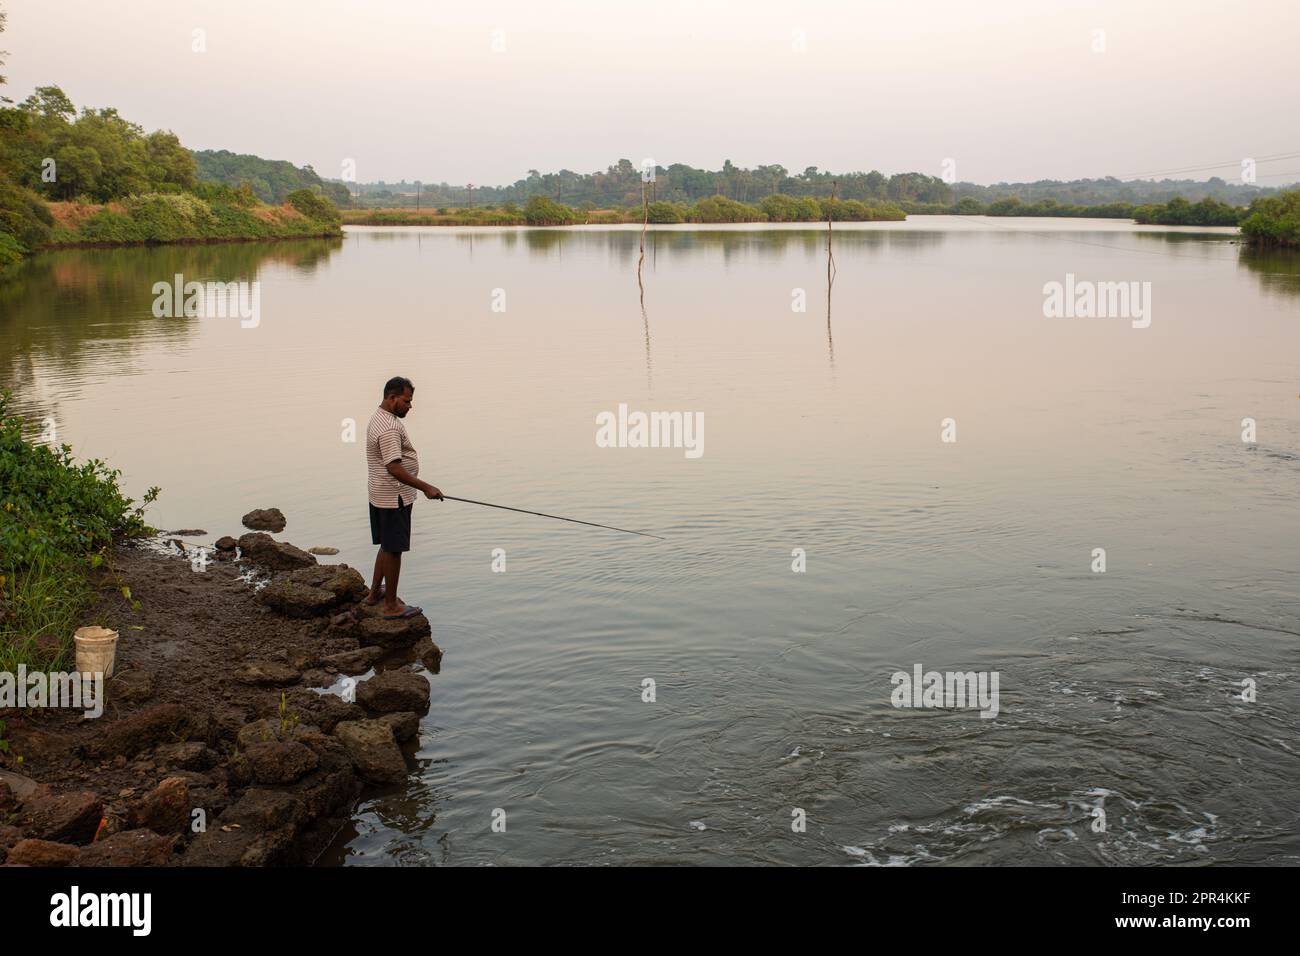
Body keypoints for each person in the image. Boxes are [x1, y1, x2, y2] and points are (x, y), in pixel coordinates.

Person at [366, 376, 442, 619]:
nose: (410, 406)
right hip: (393, 496)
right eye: (407, 401)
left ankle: (373, 594)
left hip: (379, 493)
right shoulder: (389, 427)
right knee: (394, 549)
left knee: (386, 545)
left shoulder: (380, 417)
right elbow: (395, 468)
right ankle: (391, 606)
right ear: (392, 398)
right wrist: (426, 487)